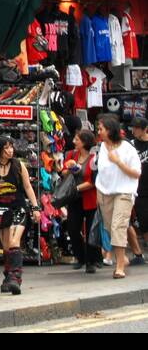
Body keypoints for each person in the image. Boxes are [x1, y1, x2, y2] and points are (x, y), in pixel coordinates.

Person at [0, 137, 41, 294]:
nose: (10, 150)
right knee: (5, 246)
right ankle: (7, 276)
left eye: (11, 147)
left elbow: (28, 187)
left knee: (13, 241)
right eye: (6, 148)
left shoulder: (18, 166)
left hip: (18, 208)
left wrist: (35, 207)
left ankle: (15, 278)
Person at [95, 114, 142, 279]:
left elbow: (136, 173)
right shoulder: (101, 147)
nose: (98, 131)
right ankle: (124, 258)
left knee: (118, 227)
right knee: (110, 228)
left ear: (110, 129)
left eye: (101, 129)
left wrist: (118, 162)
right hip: (104, 193)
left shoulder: (126, 148)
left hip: (124, 192)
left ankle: (119, 265)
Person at [63, 130, 100, 274]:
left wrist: (76, 188)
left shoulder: (94, 158)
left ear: (84, 142)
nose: (73, 141)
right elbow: (63, 173)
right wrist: (69, 168)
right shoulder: (72, 155)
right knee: (72, 228)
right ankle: (81, 257)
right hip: (75, 200)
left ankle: (91, 261)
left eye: (77, 139)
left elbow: (92, 182)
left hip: (90, 198)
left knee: (91, 230)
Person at [130, 117, 148, 264]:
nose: (133, 130)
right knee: (144, 221)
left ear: (144, 129)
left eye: (136, 128)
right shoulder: (132, 145)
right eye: (133, 128)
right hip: (139, 188)